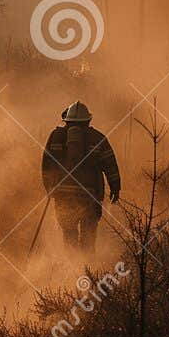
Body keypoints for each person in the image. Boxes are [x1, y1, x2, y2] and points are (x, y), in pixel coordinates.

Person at [41, 101, 121, 252]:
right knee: (88, 236)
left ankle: (72, 267)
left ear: (67, 120)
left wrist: (49, 188)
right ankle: (87, 268)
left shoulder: (56, 136)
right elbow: (110, 166)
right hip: (90, 196)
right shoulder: (98, 138)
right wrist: (115, 187)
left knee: (69, 233)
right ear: (88, 120)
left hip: (64, 196)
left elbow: (47, 165)